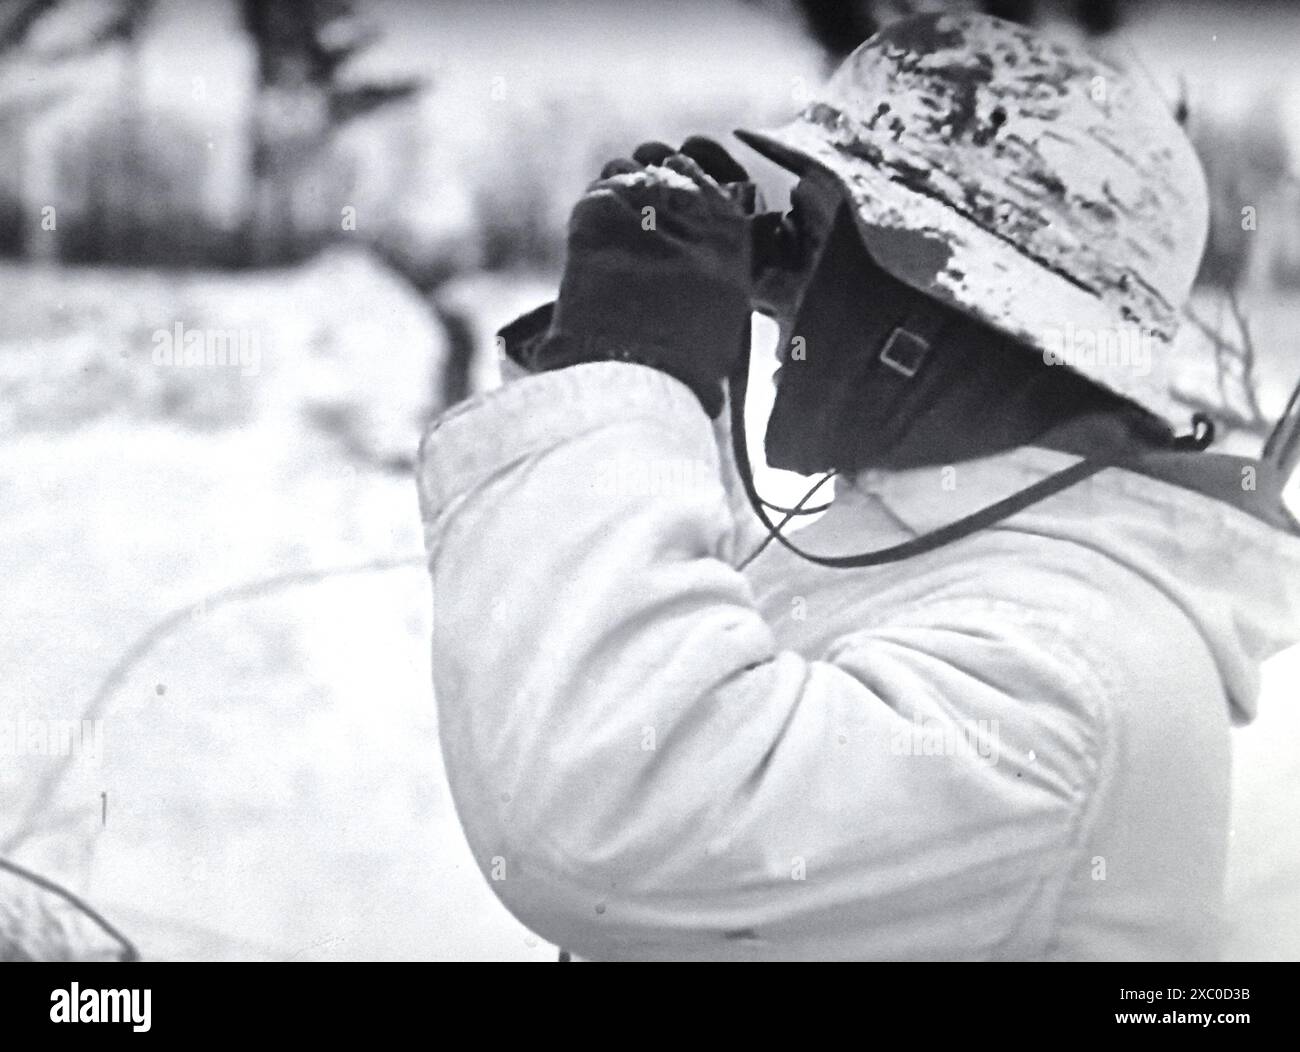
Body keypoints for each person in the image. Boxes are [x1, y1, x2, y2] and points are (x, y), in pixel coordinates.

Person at [415, 11, 1300, 960]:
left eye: (827, 246)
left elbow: (609, 814)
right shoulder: (940, 540)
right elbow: (704, 654)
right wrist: (652, 365)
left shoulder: (1068, 672)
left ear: (950, 305)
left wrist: (632, 370)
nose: (783, 293)